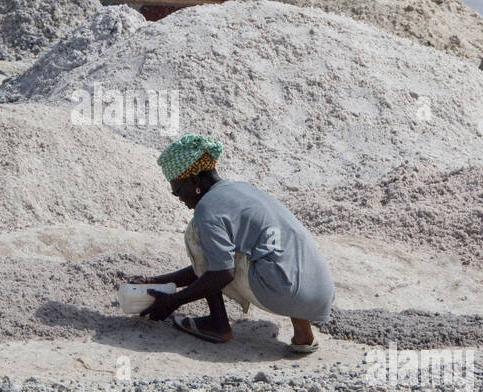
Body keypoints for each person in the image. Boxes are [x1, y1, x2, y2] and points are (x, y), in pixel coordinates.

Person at [131, 133, 336, 354]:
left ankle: (218, 325)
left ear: (194, 181)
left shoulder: (207, 209)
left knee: (195, 234)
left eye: (177, 190)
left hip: (282, 290)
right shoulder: (243, 189)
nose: (179, 198)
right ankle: (303, 334)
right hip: (319, 291)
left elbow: (221, 273)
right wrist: (156, 281)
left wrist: (172, 302)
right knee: (271, 250)